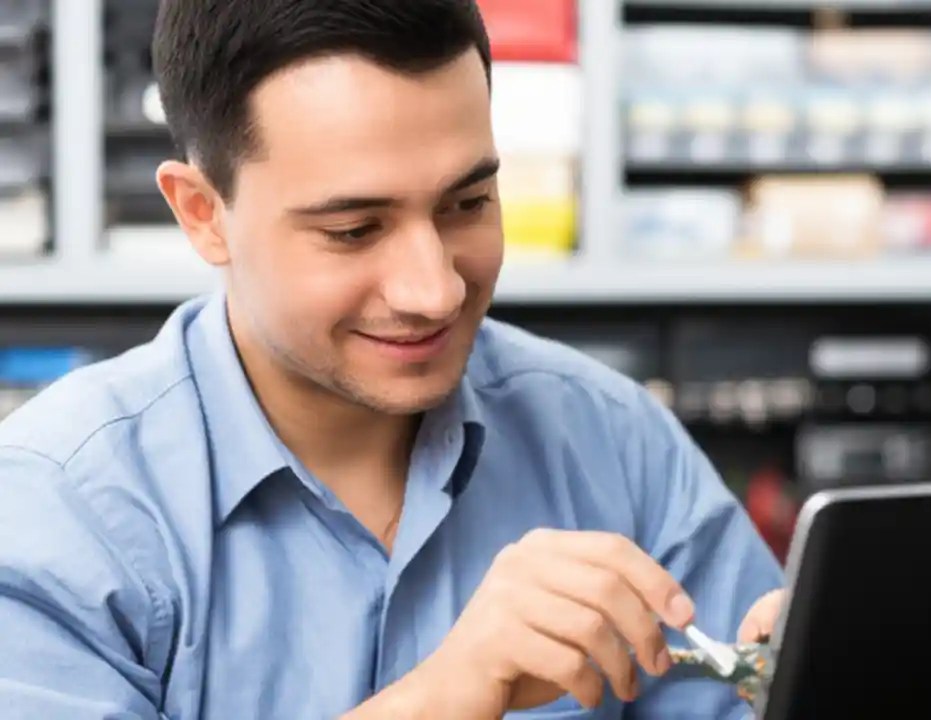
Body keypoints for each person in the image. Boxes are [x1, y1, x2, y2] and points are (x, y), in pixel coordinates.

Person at [0, 1, 786, 718]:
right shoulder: (58, 512)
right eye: (354, 230)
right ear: (204, 215)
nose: (435, 290)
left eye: (467, 204)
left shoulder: (613, 442)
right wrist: (442, 698)